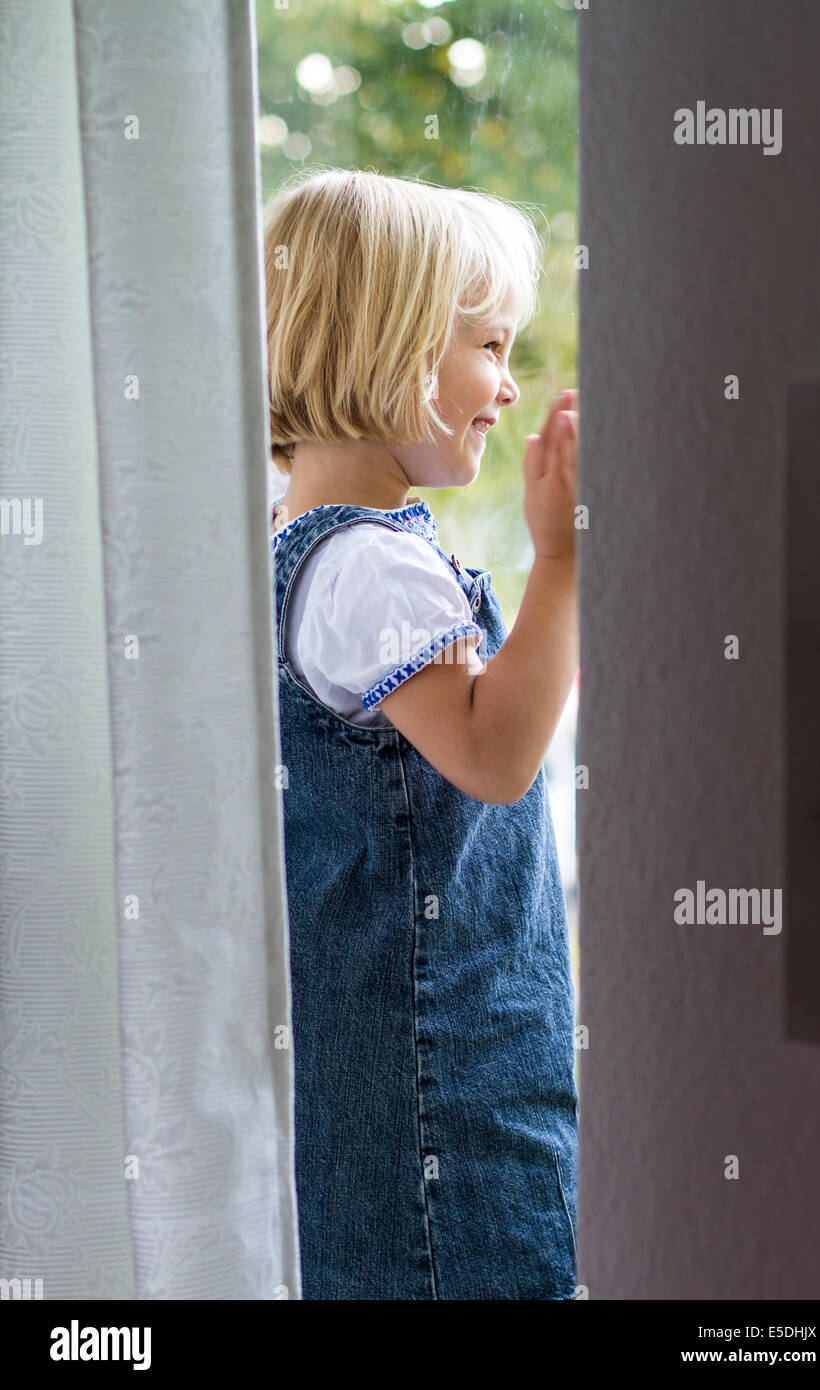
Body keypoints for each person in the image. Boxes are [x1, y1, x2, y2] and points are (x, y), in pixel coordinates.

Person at [265, 167, 579, 1300]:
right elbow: (493, 755)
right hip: (440, 1069)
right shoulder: (369, 565)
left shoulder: (298, 538)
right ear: (386, 342)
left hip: (387, 1066)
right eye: (489, 347)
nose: (505, 386)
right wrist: (563, 562)